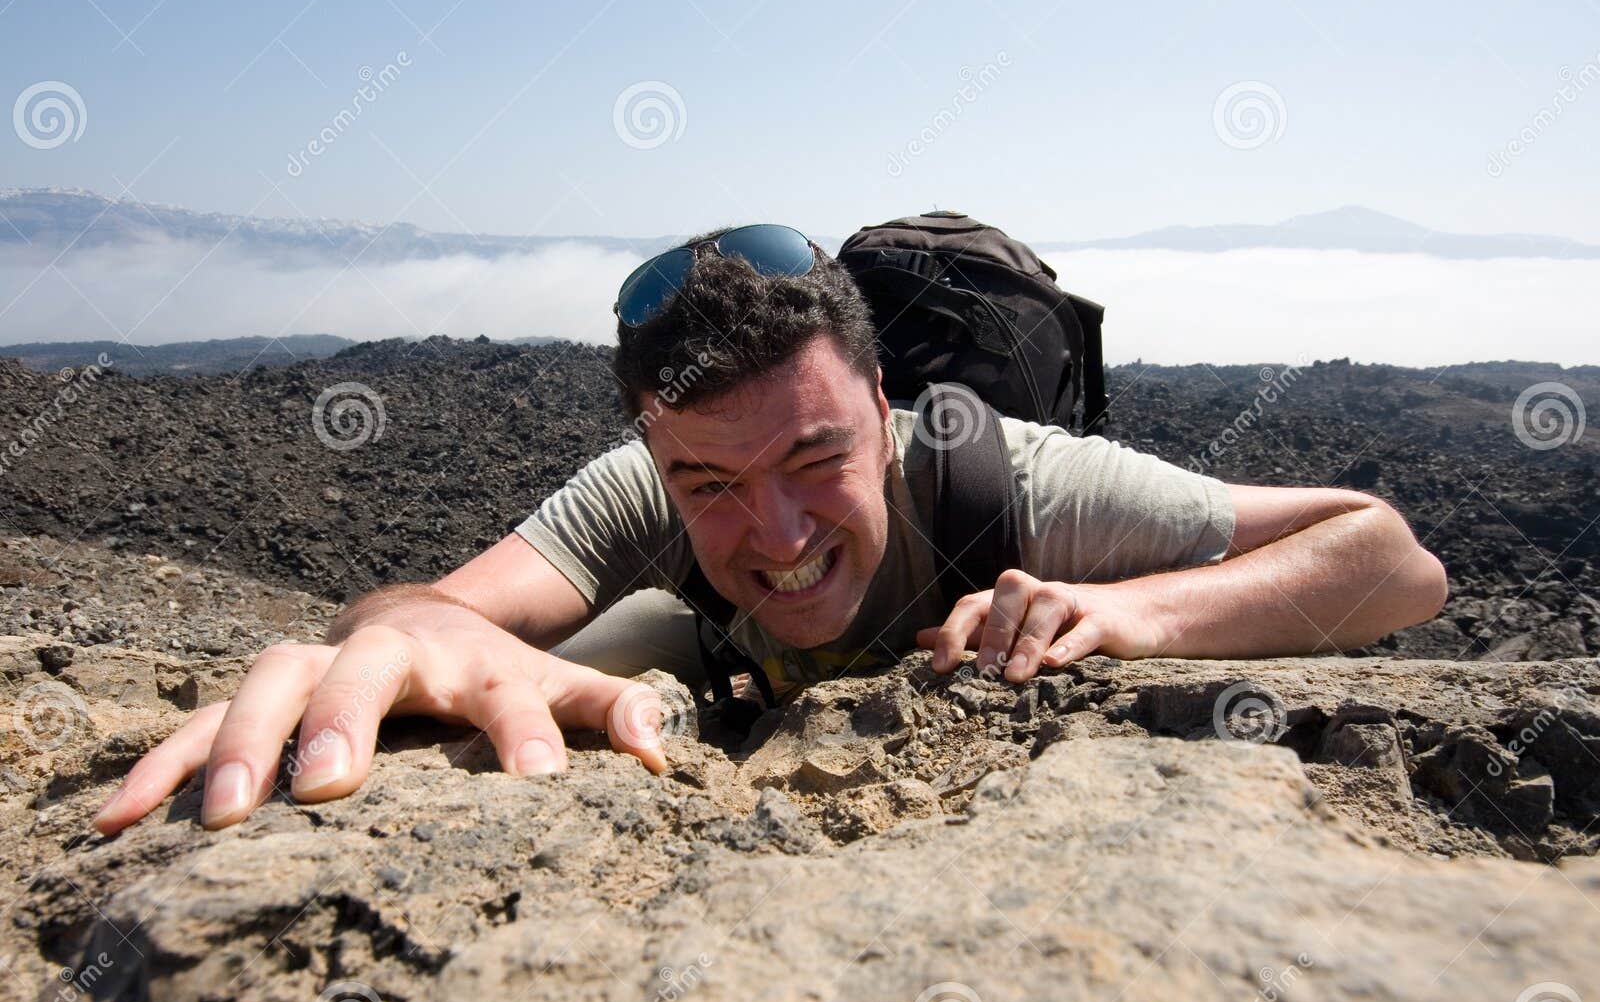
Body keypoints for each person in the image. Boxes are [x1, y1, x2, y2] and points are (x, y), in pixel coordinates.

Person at [94, 224, 1449, 836]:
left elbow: (1392, 561)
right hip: (712, 669)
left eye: (816, 457)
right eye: (713, 485)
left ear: (883, 405)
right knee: (603, 660)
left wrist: (1133, 613)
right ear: (657, 458)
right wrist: (407, 654)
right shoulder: (640, 493)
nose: (777, 528)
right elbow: (411, 618)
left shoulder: (997, 479)